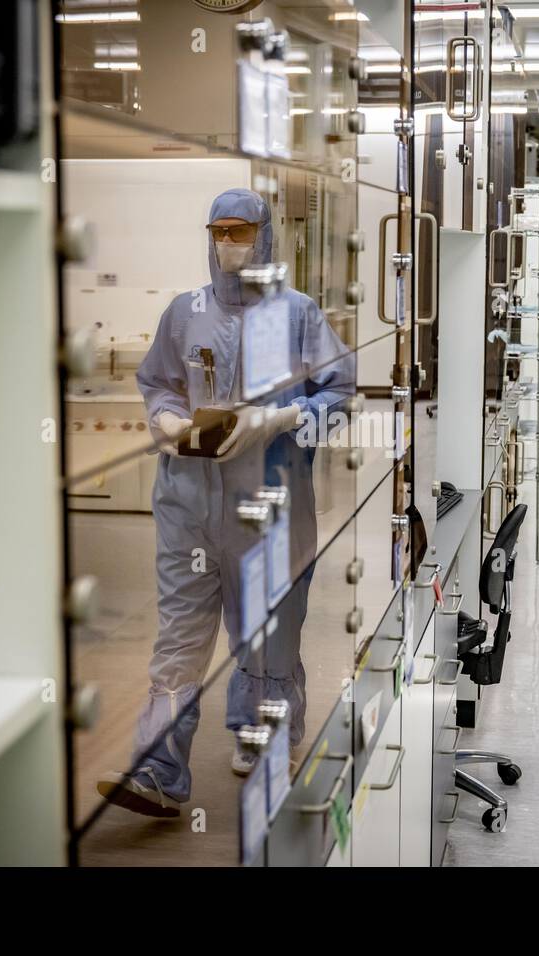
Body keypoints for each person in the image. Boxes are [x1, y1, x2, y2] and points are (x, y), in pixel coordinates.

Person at [98, 188, 354, 818]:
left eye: (239, 231)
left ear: (265, 236)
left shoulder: (297, 314)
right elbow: (157, 380)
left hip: (268, 505)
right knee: (180, 639)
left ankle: (260, 734)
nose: (228, 243)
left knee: (266, 633)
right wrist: (164, 417)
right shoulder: (184, 312)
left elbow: (342, 394)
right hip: (187, 501)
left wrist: (284, 417)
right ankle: (158, 771)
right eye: (218, 231)